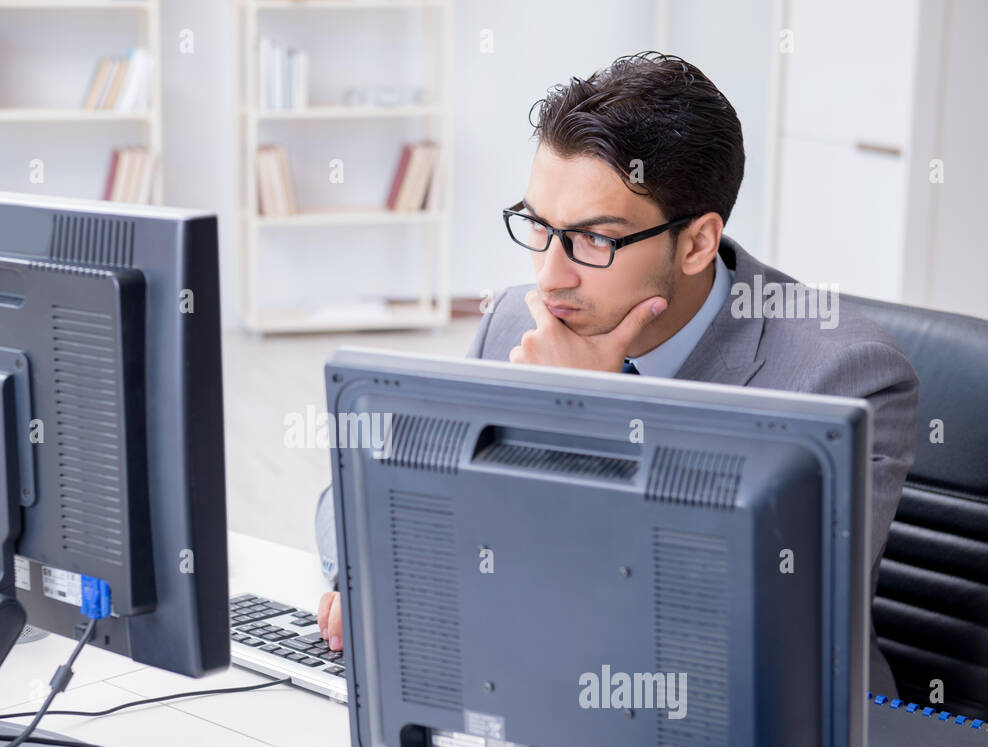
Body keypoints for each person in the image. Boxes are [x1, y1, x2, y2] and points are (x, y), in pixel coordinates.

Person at [313, 52, 919, 696]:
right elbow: (365, 494)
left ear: (696, 243)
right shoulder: (518, 322)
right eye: (539, 227)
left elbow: (735, 615)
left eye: (594, 240)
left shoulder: (843, 378)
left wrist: (588, 415)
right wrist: (374, 571)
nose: (549, 277)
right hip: (542, 693)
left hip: (777, 732)